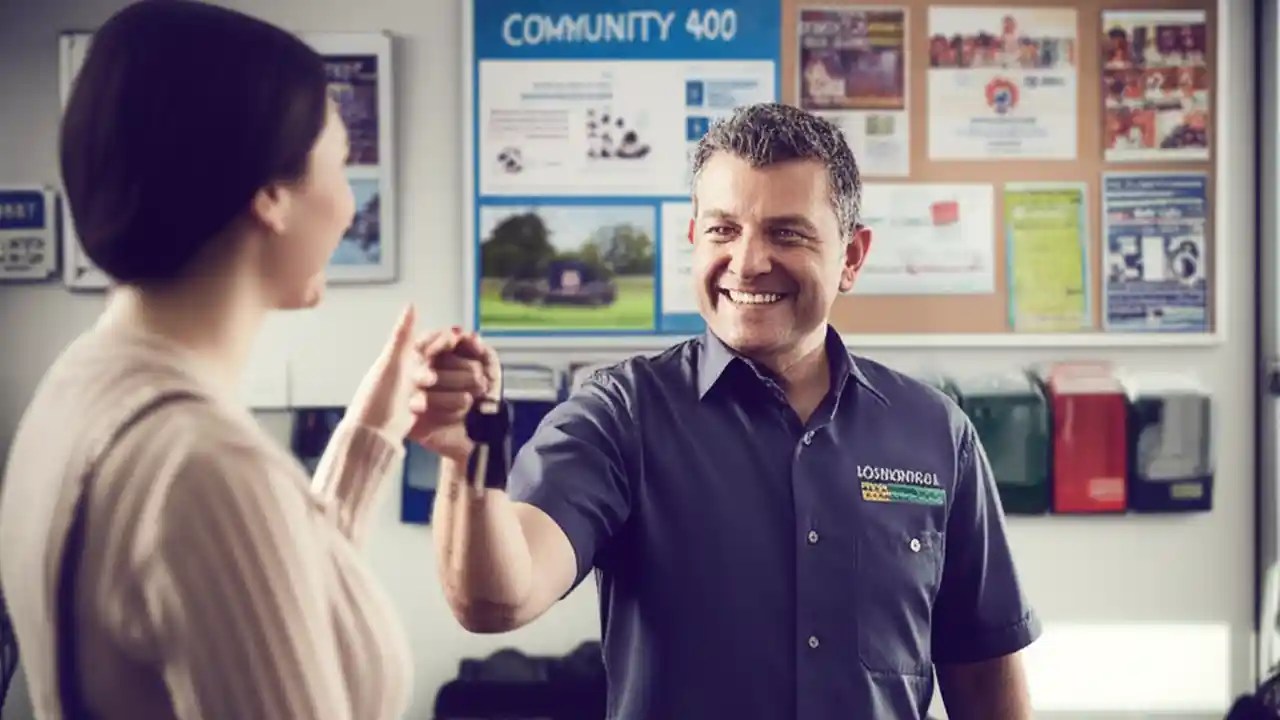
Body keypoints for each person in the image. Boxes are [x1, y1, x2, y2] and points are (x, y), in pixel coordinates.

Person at [420, 103, 1041, 719]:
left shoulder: (933, 431)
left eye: (786, 232)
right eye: (723, 229)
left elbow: (986, 677)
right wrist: (470, 465)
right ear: (694, 239)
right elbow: (498, 599)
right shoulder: (619, 416)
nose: (747, 262)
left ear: (851, 256)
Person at [0, 2, 432, 718]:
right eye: (341, 166)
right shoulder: (205, 467)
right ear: (270, 196)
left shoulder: (82, 385)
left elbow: (273, 595)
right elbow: (228, 518)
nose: (352, 207)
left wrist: (371, 433)